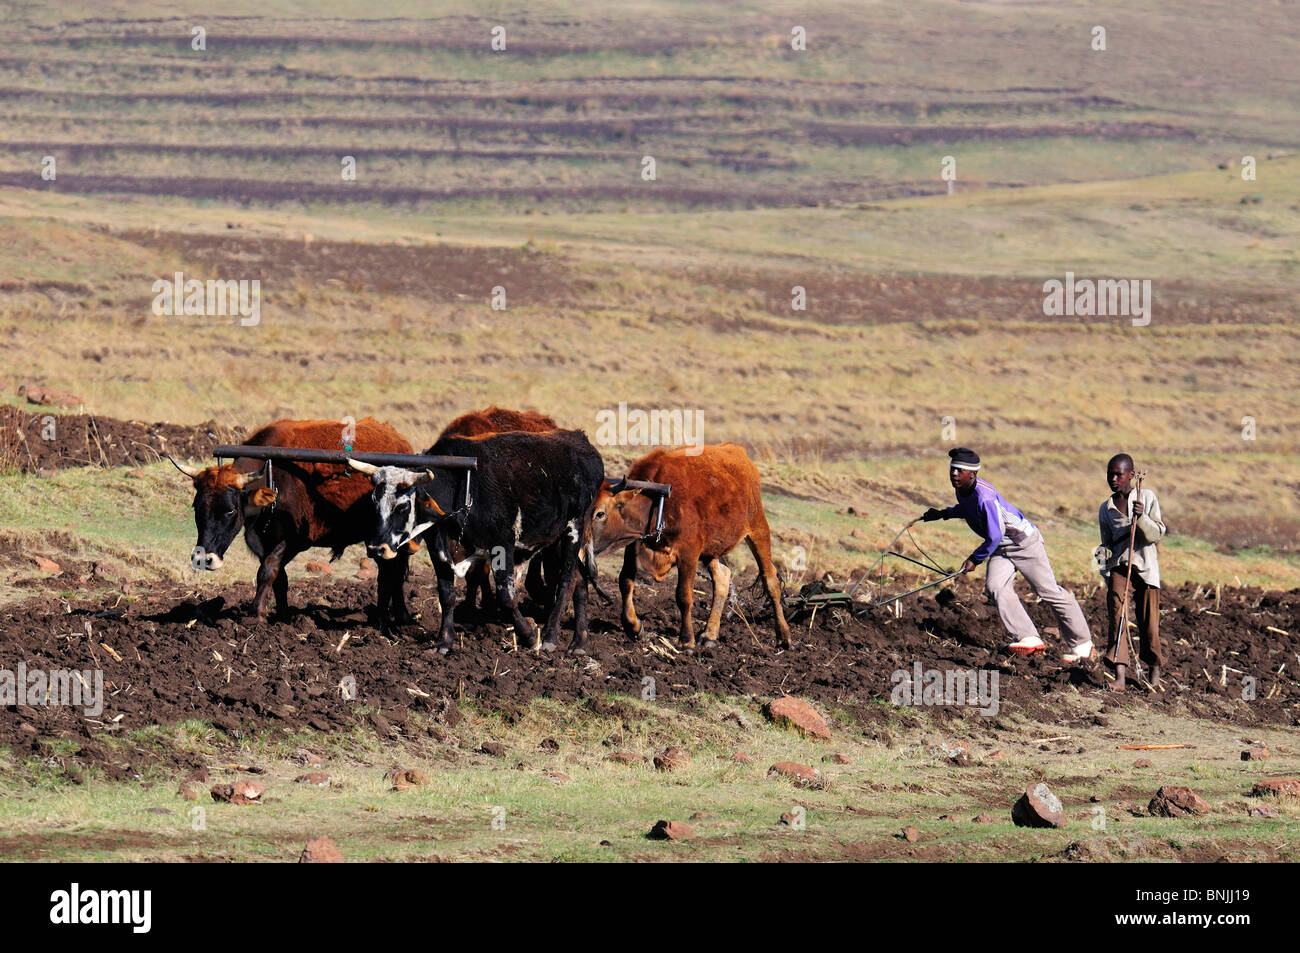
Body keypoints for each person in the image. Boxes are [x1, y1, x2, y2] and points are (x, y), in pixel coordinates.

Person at [922, 447, 1093, 660]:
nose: (954, 474)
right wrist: (942, 514)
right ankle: (1028, 637)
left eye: (960, 471)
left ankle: (1083, 644)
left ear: (972, 474)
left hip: (1023, 543)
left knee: (1048, 591)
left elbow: (995, 534)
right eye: (953, 469)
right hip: (1002, 547)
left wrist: (975, 559)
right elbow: (966, 509)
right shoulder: (963, 490)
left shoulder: (984, 496)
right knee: (996, 586)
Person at [1097, 453, 1165, 691]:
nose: (1114, 479)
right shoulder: (1106, 508)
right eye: (1110, 474)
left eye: (1119, 474)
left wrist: (1142, 517)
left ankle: (1154, 672)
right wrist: (1105, 572)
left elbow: (1156, 533)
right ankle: (1120, 677)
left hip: (1146, 568)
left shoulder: (1146, 497)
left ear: (1132, 475)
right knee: (1117, 618)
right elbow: (1105, 544)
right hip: (1120, 568)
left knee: (1149, 622)